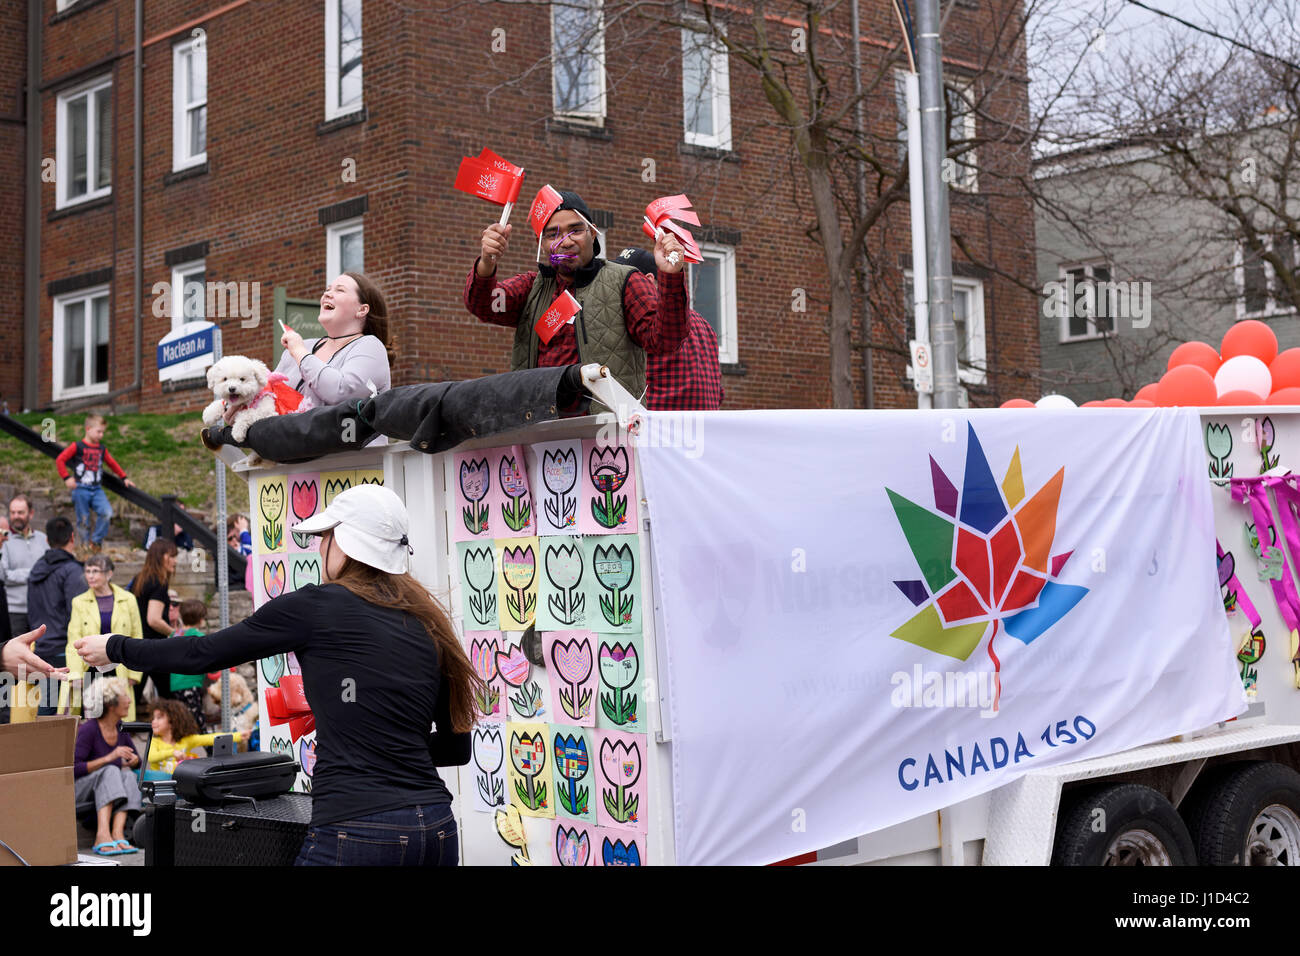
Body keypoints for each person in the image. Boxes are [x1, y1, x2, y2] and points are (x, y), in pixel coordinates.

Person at [77, 484, 478, 867]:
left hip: (359, 827)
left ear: (345, 543)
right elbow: (456, 749)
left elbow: (204, 652)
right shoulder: (426, 621)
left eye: (326, 537)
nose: (321, 547)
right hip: (437, 828)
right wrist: (367, 739)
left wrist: (116, 647)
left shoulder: (315, 606)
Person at [464, 188, 690, 401]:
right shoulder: (532, 289)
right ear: (541, 244)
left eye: (576, 230)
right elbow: (484, 305)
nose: (566, 241)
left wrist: (671, 276)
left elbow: (665, 340)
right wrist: (487, 262)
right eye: (553, 234)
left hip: (603, 432)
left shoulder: (626, 281)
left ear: (593, 233)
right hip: (539, 429)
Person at [614, 248, 725, 411]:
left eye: (623, 281)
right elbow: (718, 391)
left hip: (656, 427)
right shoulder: (705, 326)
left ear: (648, 280)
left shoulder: (644, 319)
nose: (617, 287)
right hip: (703, 429)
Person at [274, 272, 393, 413]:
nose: (327, 294)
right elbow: (269, 396)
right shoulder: (300, 347)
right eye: (328, 289)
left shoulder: (371, 347)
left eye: (340, 290)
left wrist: (299, 352)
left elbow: (340, 392)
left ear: (362, 310)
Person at [60, 553, 144, 718]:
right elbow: (73, 640)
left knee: (119, 716)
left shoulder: (129, 599)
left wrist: (135, 673)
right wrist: (75, 674)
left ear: (109, 574)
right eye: (88, 571)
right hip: (90, 668)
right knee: (91, 717)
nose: (90, 576)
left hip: (119, 667)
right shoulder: (79, 602)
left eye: (96, 571)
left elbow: (137, 636)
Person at [73, 676, 143, 856]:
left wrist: (134, 760)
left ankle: (118, 833)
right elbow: (74, 768)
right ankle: (102, 835)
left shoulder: (120, 727)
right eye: (125, 697)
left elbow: (136, 760)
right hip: (79, 790)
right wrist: (109, 757)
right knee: (112, 769)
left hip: (107, 787)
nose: (129, 701)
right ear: (111, 704)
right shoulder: (89, 729)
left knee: (129, 775)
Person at [26, 516, 86, 714]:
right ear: (72, 537)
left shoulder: (36, 568)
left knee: (45, 710)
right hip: (64, 650)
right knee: (64, 713)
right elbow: (78, 615)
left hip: (40, 648)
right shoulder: (73, 571)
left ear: (46, 540)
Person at [55, 414, 135, 552]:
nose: (101, 435)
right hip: (80, 489)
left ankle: (95, 542)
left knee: (107, 513)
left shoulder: (101, 449)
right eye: (99, 431)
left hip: (97, 489)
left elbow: (112, 463)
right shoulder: (77, 446)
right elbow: (60, 459)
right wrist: (66, 478)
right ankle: (85, 547)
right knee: (83, 520)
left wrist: (124, 477)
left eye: (103, 432)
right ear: (88, 429)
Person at [145, 698, 247, 778]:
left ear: (173, 721)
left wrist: (238, 736)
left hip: (178, 784)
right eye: (153, 718)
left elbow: (210, 738)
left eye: (159, 717)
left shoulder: (186, 741)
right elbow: (151, 757)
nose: (154, 721)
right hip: (159, 784)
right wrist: (172, 752)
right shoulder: (154, 741)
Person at [130, 539, 178, 705]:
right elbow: (154, 619)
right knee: (169, 698)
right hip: (154, 648)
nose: (175, 561)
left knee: (132, 698)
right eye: (172, 556)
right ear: (161, 557)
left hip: (136, 645)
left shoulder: (139, 579)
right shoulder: (159, 582)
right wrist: (174, 633)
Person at [2, 494, 49, 639]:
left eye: (20, 512)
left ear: (31, 513)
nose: (16, 516)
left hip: (41, 609)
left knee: (39, 657)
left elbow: (49, 570)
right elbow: (4, 575)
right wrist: (34, 573)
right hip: (14, 611)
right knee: (19, 660)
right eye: (13, 512)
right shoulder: (3, 540)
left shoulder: (42, 539)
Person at [168, 599, 210, 731]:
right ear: (200, 619)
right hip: (191, 684)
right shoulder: (199, 636)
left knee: (179, 719)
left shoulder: (174, 635)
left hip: (175, 684)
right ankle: (210, 749)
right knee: (198, 719)